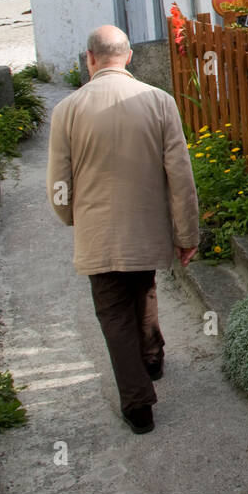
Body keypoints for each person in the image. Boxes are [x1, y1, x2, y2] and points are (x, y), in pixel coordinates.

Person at [47, 26, 199, 434]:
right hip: (146, 225)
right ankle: (151, 358)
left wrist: (69, 217)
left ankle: (138, 404)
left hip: (98, 230)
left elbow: (59, 184)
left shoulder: (67, 110)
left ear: (90, 58)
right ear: (128, 57)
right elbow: (180, 176)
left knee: (113, 311)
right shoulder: (159, 101)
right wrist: (187, 234)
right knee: (143, 283)